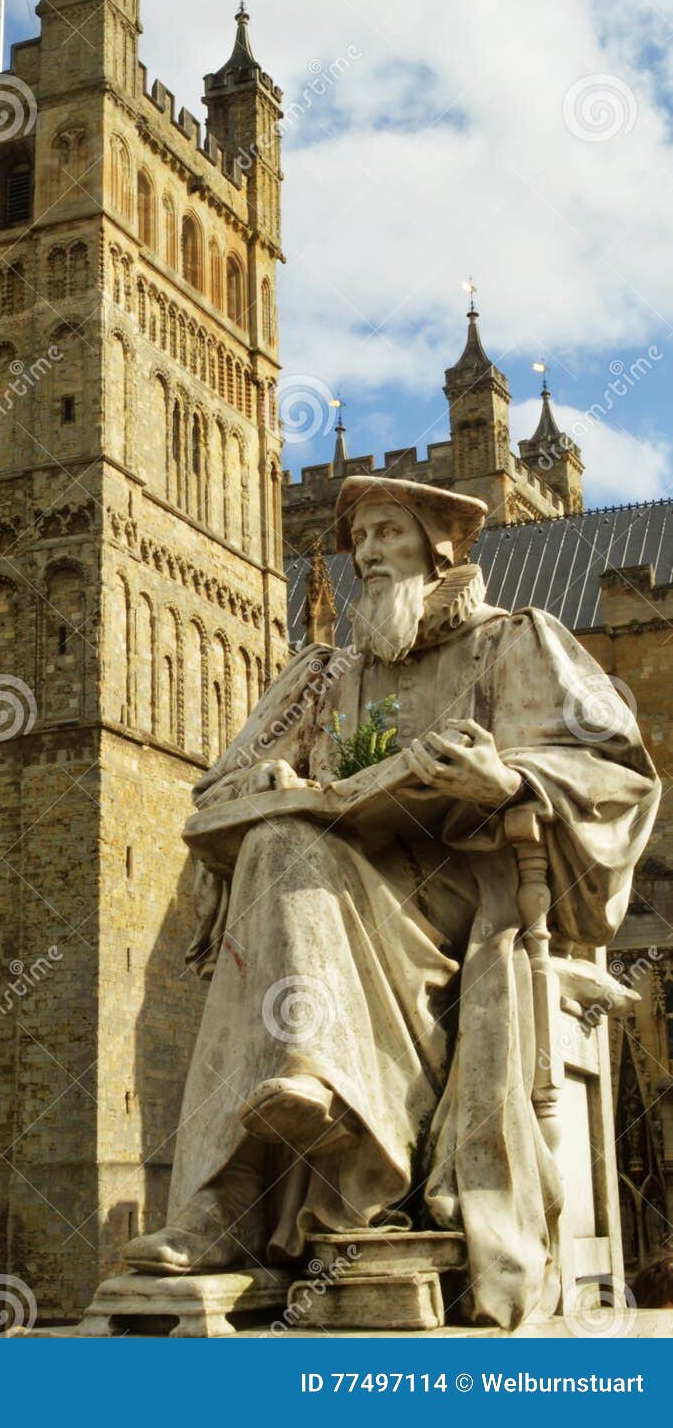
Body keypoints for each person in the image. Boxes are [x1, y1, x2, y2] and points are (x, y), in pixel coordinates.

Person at [124, 477, 659, 1328]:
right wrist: (266, 779)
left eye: (385, 534)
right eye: (357, 541)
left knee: (289, 864)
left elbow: (620, 772)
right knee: (275, 843)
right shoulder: (325, 672)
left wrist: (510, 776)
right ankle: (236, 1176)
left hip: (465, 899)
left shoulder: (514, 643)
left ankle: (265, 1163)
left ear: (439, 546)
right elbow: (214, 792)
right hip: (333, 889)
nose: (366, 554)